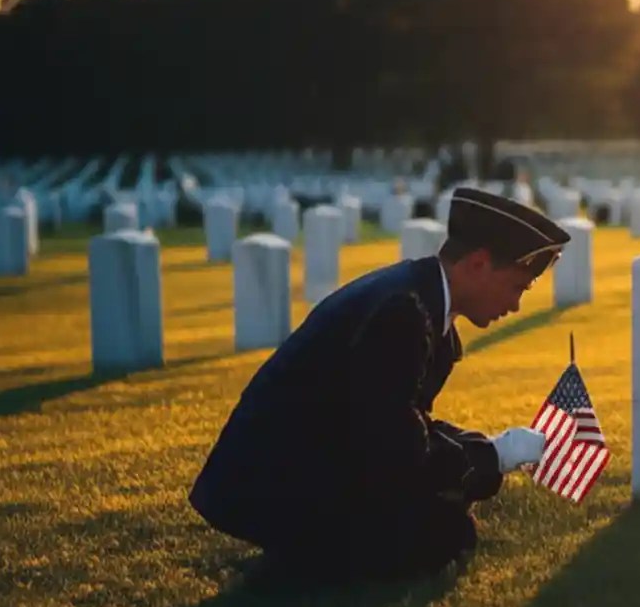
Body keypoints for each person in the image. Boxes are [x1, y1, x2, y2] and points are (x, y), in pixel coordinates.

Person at [188, 187, 571, 583]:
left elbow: (401, 420)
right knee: (441, 534)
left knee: (440, 517)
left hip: (310, 463)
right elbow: (395, 447)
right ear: (477, 264)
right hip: (273, 485)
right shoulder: (403, 313)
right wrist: (491, 457)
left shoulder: (421, 299)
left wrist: (478, 449)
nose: (515, 306)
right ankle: (298, 558)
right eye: (517, 287)